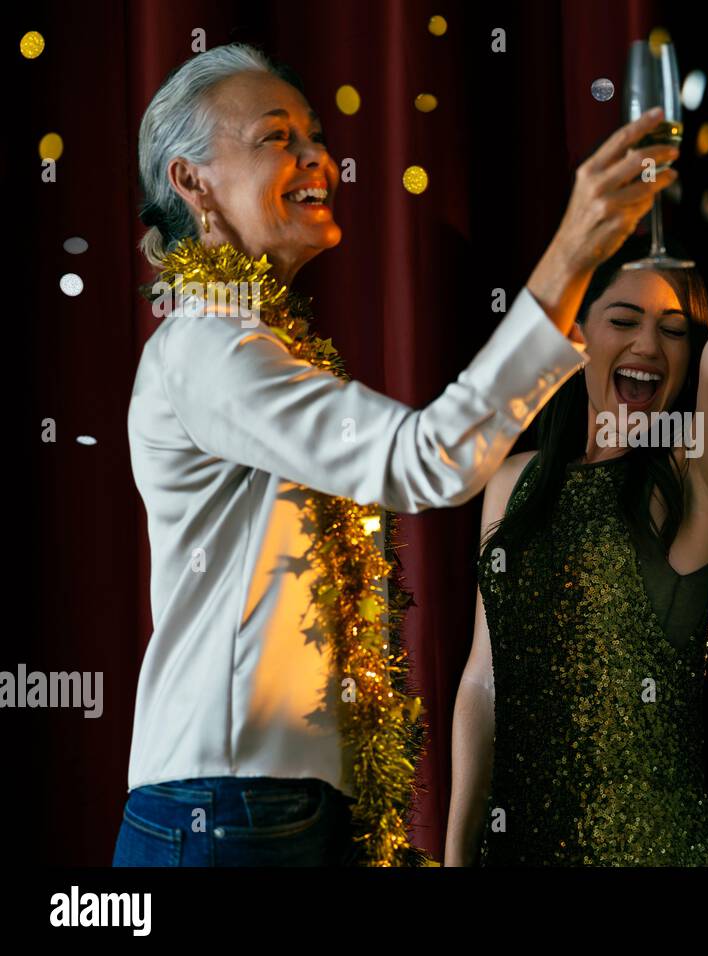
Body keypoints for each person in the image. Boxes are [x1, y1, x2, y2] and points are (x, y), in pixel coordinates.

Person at [114, 42, 677, 866]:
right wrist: (574, 253)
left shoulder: (261, 343)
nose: (321, 160)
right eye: (278, 138)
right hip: (228, 809)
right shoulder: (209, 343)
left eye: (316, 137)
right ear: (191, 181)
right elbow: (428, 459)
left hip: (276, 805)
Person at [445, 125, 708, 865]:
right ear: (580, 337)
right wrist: (457, 853)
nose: (649, 347)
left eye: (675, 332)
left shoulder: (688, 476)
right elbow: (481, 679)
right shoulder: (509, 479)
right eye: (624, 321)